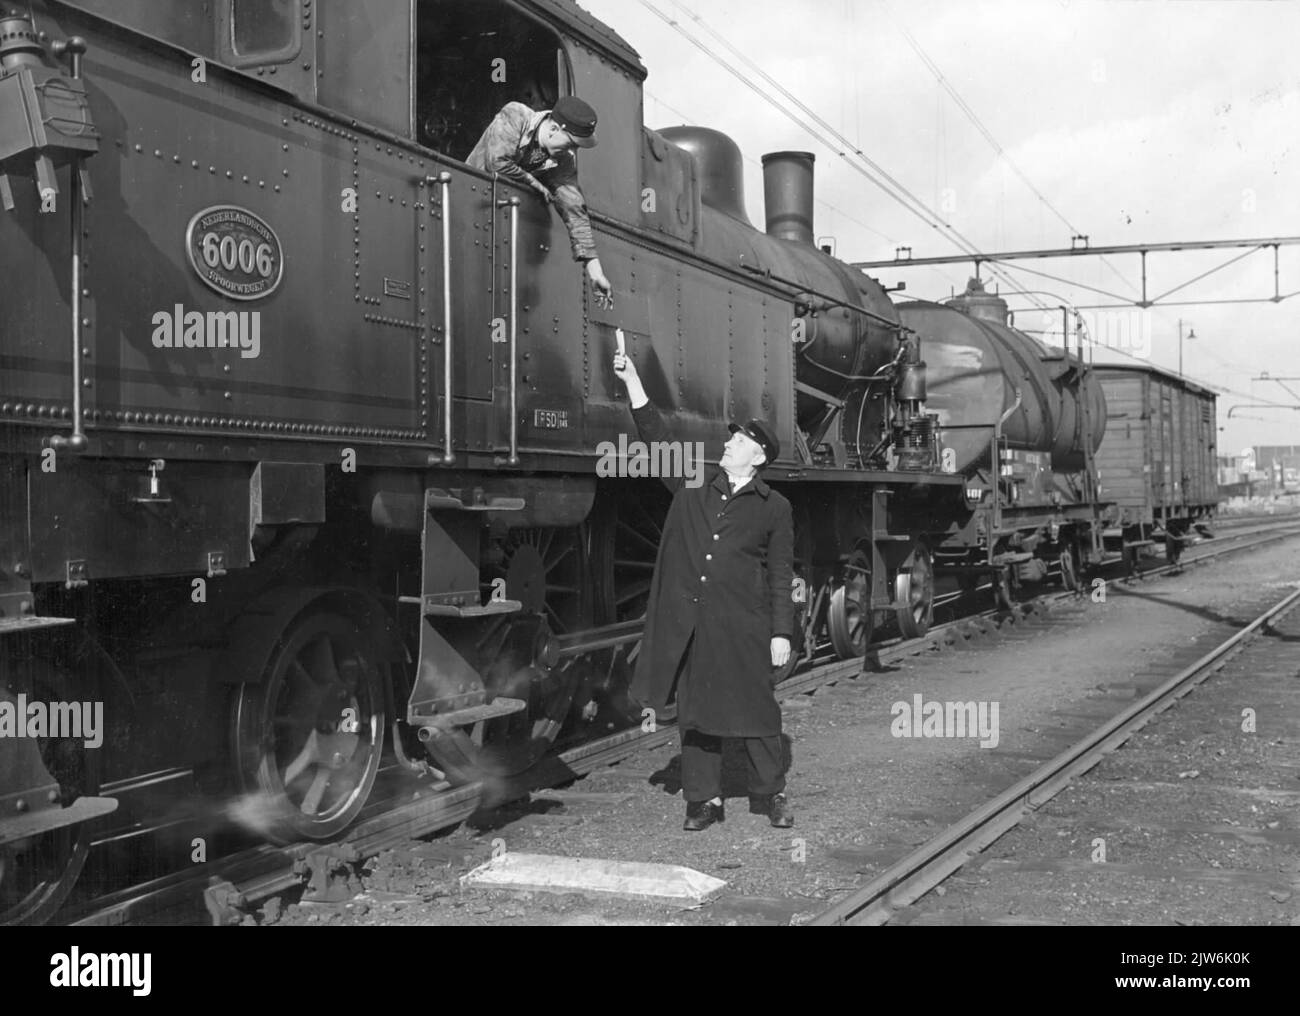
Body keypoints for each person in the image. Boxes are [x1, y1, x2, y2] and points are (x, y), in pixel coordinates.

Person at [613, 350, 795, 831]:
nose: (730, 442)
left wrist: (782, 633)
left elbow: (780, 574)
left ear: (757, 457)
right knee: (696, 715)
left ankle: (770, 793)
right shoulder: (694, 483)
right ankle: (704, 800)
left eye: (739, 440)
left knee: (757, 710)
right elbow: (656, 439)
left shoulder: (775, 508)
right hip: (696, 623)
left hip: (746, 624)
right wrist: (633, 380)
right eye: (732, 436)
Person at [467, 96, 614, 308]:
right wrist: (534, 183)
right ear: (554, 129)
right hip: (469, 207)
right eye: (571, 143)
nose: (572, 151)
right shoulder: (515, 115)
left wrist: (595, 270)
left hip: (498, 229)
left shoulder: (563, 159)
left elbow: (574, 207)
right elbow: (497, 162)